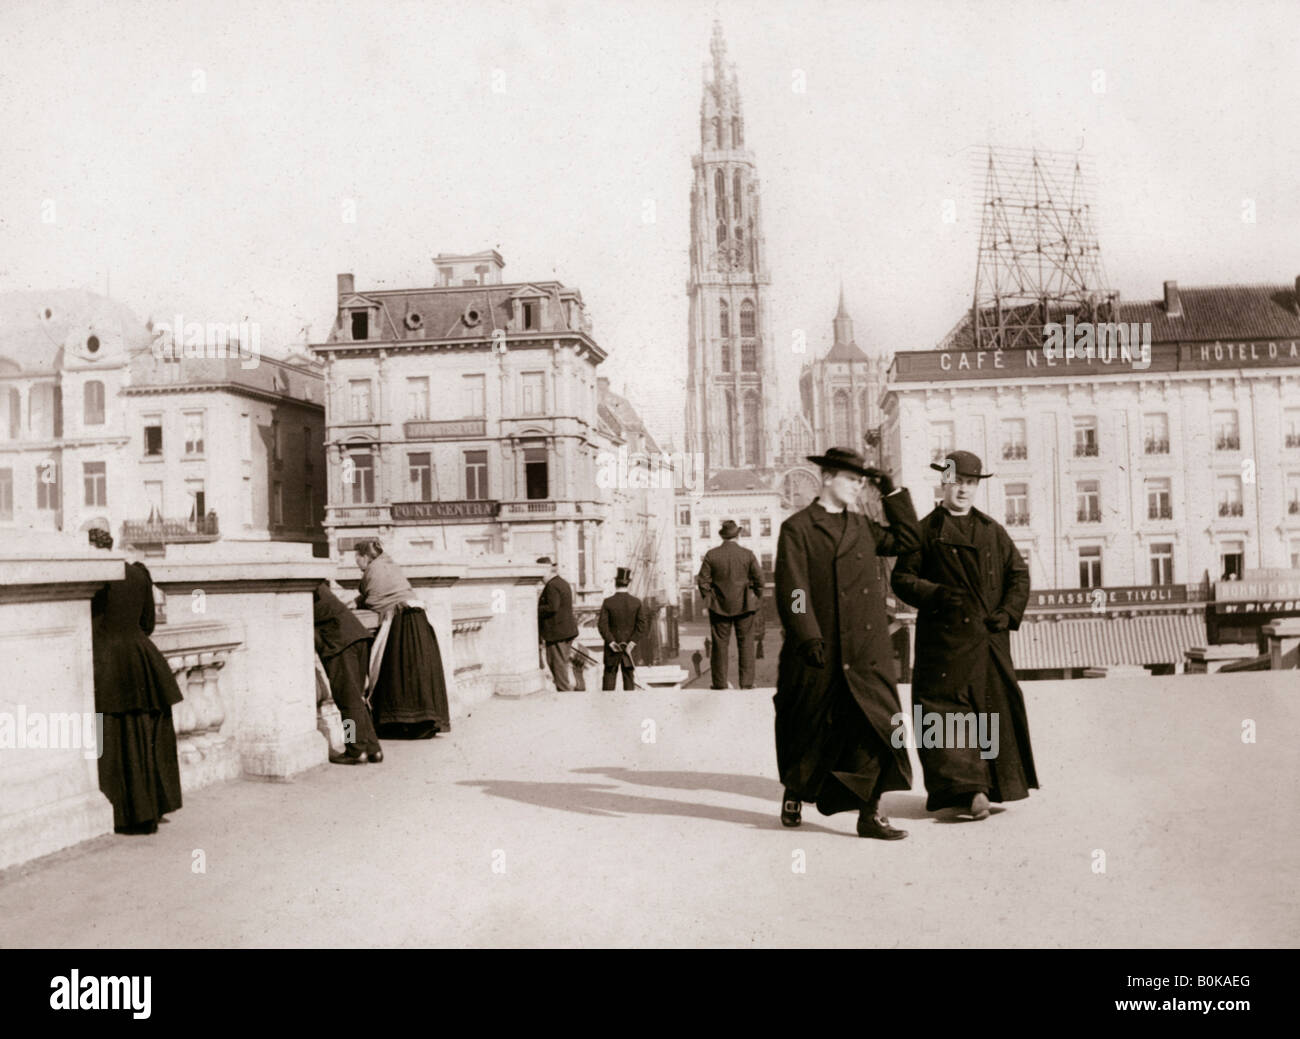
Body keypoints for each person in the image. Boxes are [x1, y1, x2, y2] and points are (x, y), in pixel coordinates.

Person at [773, 446, 920, 839]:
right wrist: (807, 635)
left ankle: (870, 814)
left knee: (878, 727)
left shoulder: (863, 525)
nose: (858, 487)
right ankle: (795, 789)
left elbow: (908, 539)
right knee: (808, 726)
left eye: (861, 480)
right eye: (852, 479)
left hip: (866, 647)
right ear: (827, 479)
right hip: (820, 649)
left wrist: (891, 492)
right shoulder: (798, 528)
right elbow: (794, 589)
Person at [891, 450, 1037, 820]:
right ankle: (964, 790)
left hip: (989, 641)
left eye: (970, 483)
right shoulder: (924, 531)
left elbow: (1018, 576)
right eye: (957, 482)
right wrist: (936, 594)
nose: (964, 490)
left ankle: (985, 787)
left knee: (990, 711)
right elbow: (902, 579)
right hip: (944, 644)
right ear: (944, 483)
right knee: (946, 716)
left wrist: (1007, 612)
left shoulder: (993, 531)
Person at [88, 528, 184, 835]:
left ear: (91, 548)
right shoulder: (138, 574)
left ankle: (124, 814)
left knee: (115, 740)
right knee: (144, 736)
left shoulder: (92, 578)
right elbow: (148, 624)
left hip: (106, 662)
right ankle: (149, 809)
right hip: (142, 660)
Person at [354, 539, 450, 738]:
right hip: (418, 621)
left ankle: (360, 739)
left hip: (398, 622)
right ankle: (421, 723)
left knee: (395, 673)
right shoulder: (389, 565)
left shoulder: (373, 571)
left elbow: (373, 599)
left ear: (365, 557)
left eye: (357, 556)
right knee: (416, 672)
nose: (356, 562)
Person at [313, 579, 382, 764]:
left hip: (340, 644)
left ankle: (355, 749)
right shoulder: (319, 586)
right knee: (356, 699)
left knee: (347, 701)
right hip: (357, 637)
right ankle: (372, 748)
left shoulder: (309, 589)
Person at [697, 519, 764, 689]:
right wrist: (755, 598)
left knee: (719, 645)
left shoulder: (712, 554)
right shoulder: (747, 554)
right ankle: (747, 683)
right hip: (745, 606)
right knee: (747, 644)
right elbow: (760, 580)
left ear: (723, 536)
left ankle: (719, 684)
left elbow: (702, 581)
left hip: (719, 607)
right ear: (738, 535)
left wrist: (710, 599)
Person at [597, 567, 647, 691]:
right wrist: (632, 642)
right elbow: (642, 626)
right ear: (628, 583)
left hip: (611, 648)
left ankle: (607, 706)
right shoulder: (636, 602)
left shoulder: (608, 602)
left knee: (609, 676)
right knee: (629, 677)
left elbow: (602, 626)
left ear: (615, 583)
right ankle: (629, 707)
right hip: (630, 648)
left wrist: (611, 642)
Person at [537, 556, 579, 691]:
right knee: (561, 664)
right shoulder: (562, 582)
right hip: (566, 631)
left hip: (557, 633)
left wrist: (535, 609)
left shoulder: (551, 586)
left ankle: (564, 698)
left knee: (557, 665)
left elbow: (552, 607)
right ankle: (565, 692)